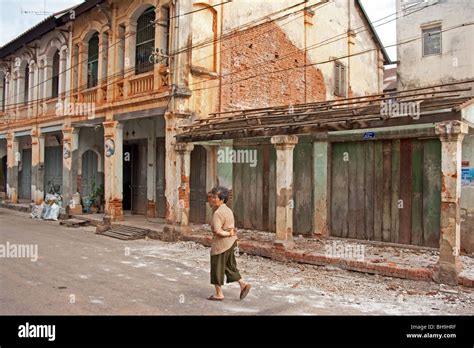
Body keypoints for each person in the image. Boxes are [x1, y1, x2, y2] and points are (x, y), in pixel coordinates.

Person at [207, 186, 251, 301]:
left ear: (222, 199)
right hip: (232, 243)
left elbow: (218, 231)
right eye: (212, 196)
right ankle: (243, 284)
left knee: (217, 267)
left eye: (215, 197)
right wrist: (231, 234)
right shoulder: (228, 210)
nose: (212, 199)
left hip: (221, 245)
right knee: (229, 266)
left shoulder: (218, 213)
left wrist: (228, 234)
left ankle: (219, 294)